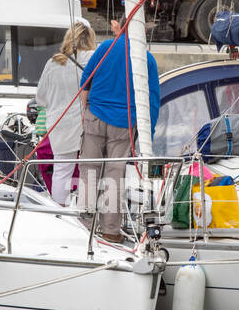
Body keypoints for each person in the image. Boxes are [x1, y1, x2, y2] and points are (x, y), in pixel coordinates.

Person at [77, 18, 160, 243]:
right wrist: (148, 135)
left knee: (89, 171)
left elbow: (85, 81)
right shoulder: (146, 59)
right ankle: (110, 232)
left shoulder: (106, 47)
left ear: (120, 27)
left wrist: (85, 113)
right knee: (114, 175)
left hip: (95, 116)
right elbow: (152, 100)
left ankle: (84, 228)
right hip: (124, 123)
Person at [34, 21, 96, 205]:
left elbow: (41, 98)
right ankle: (89, 212)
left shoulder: (53, 62)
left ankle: (59, 211)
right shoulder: (94, 58)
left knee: (62, 168)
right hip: (88, 121)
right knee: (91, 169)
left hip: (58, 124)